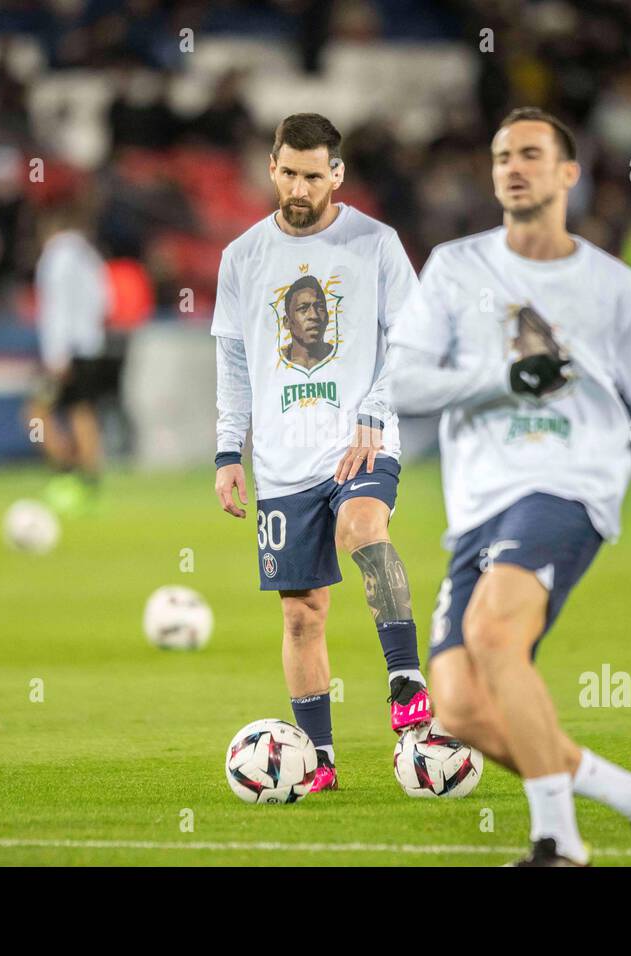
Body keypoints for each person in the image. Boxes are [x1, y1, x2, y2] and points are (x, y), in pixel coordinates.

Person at [389, 108, 631, 866]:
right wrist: (503, 379)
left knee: (495, 635)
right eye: (502, 154)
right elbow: (401, 381)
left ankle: (558, 846)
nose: (512, 166)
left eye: (531, 154)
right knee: (463, 706)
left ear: (568, 173)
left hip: (568, 486)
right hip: (477, 504)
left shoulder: (613, 286)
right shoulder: (454, 267)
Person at [212, 113, 432, 793]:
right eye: (289, 171)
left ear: (336, 174)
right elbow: (235, 360)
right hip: (282, 463)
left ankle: (405, 679)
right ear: (272, 166)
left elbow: (416, 339)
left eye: (315, 173)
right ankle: (318, 762)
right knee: (301, 613)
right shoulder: (242, 257)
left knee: (362, 527)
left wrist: (376, 405)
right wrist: (228, 452)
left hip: (359, 441)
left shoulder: (375, 243)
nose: (301, 185)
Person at [27, 203, 115, 514]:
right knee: (82, 411)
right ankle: (89, 479)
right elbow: (106, 301)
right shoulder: (89, 257)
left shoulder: (56, 256)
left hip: (67, 350)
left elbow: (56, 309)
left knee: (35, 413)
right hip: (91, 345)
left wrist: (56, 353)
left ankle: (66, 474)